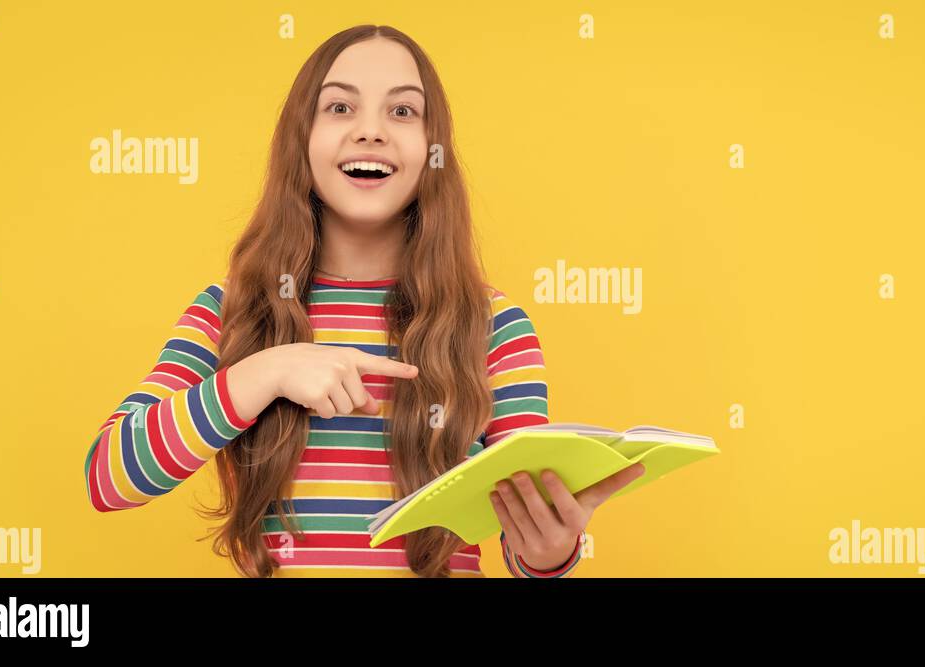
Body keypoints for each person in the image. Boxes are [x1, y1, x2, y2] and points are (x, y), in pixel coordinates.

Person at [83, 24, 644, 578]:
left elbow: (526, 548)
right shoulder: (231, 311)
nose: (371, 132)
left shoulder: (494, 325)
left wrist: (549, 550)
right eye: (340, 108)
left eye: (402, 112)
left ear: (433, 149)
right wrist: (266, 372)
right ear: (300, 140)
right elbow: (108, 478)